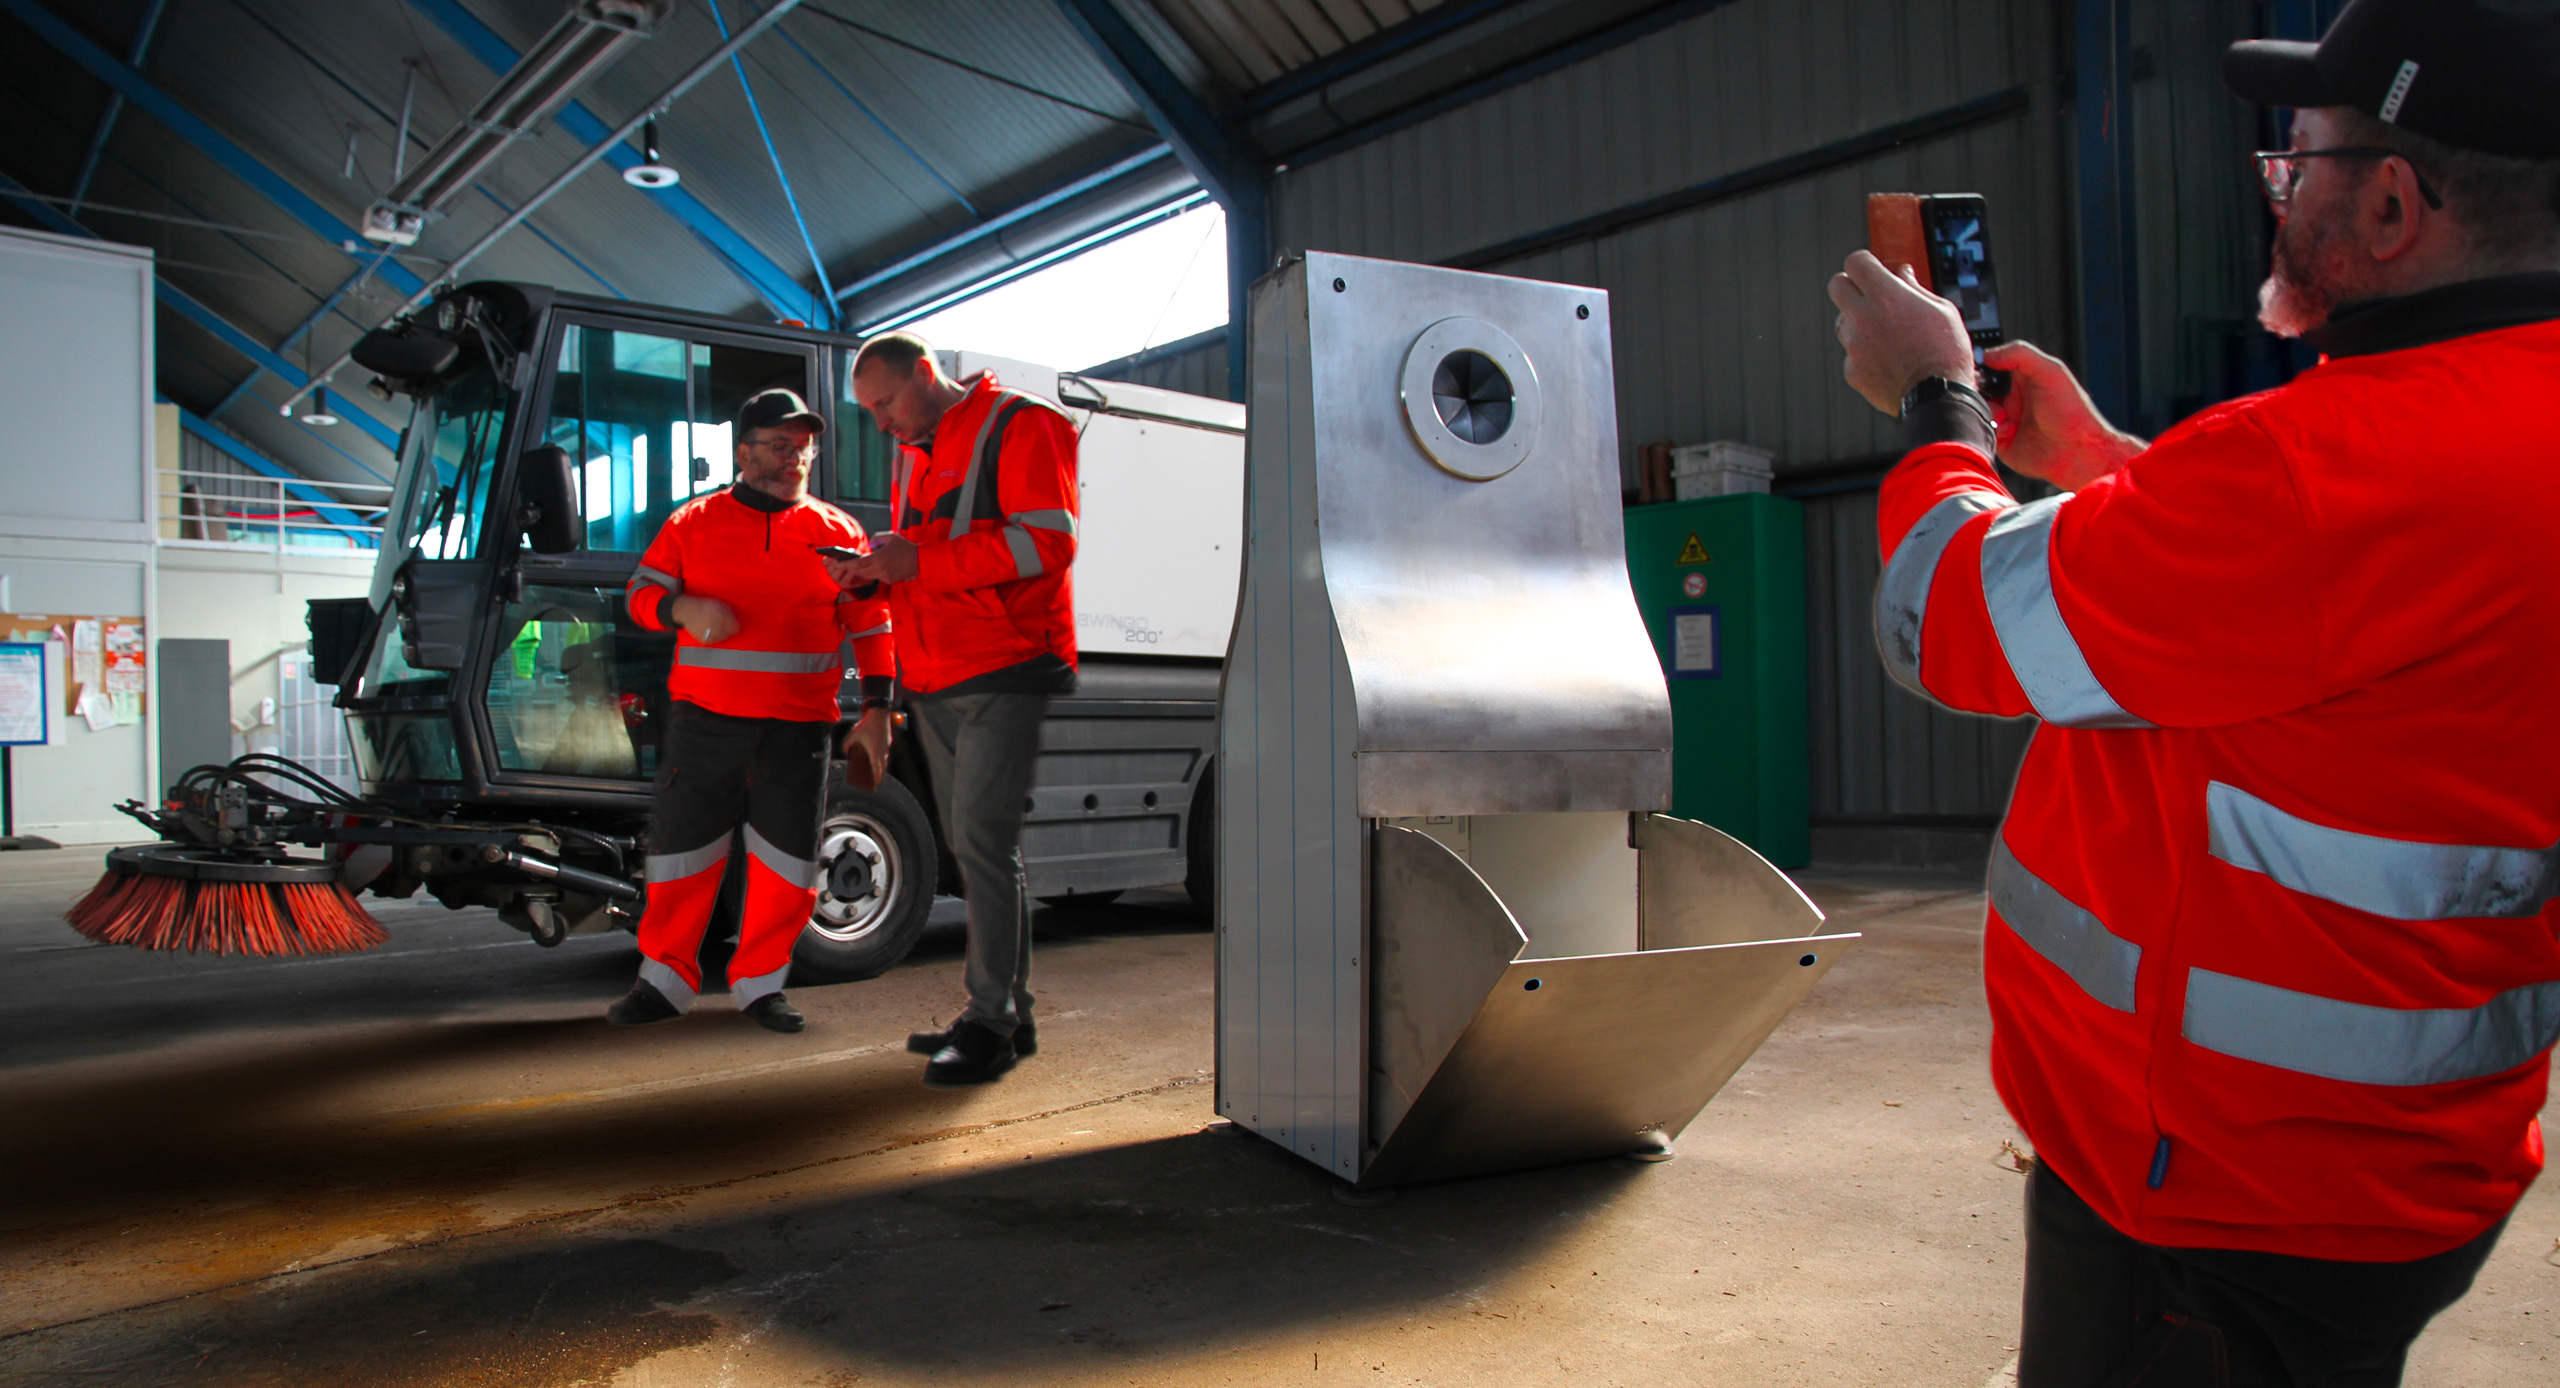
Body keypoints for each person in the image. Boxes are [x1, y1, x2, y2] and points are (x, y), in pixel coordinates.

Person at [1827, 0, 2560, 1382]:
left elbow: (1946, 618)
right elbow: (2359, 622)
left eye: (2304, 163)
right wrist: (2121, 472)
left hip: (2215, 1196)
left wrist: (1939, 405)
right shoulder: (2487, 430)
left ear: (2393, 203)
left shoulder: (2316, 471)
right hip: (2410, 1165)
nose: (2281, 190)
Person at [827, 332, 1079, 1088]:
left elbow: (1050, 546)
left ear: (925, 375)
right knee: (976, 848)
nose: (880, 424)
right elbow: (924, 550)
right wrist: (878, 572)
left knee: (978, 841)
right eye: (867, 410)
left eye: (885, 403)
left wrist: (919, 562)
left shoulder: (1021, 425)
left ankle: (992, 1021)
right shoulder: (915, 452)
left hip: (1007, 665)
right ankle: (1003, 1010)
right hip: (934, 674)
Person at [609, 388, 896, 1033]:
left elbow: (874, 625)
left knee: (788, 870)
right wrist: (683, 609)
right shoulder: (693, 523)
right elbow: (641, 593)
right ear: (744, 452)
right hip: (704, 724)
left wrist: (878, 708)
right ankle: (662, 983)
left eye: (804, 448)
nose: (795, 458)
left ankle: (761, 987)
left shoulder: (838, 532)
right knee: (681, 860)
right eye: (778, 446)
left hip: (798, 732)